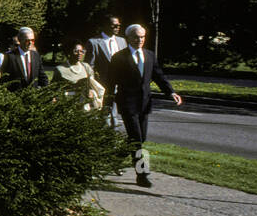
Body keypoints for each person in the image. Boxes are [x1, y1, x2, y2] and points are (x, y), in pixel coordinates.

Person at [104, 24, 183, 188]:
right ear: (128, 38)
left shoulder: (149, 55)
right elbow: (111, 83)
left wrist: (170, 92)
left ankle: (114, 159)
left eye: (142, 37)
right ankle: (142, 175)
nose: (139, 40)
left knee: (140, 139)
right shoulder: (119, 58)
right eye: (136, 37)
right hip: (127, 104)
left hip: (144, 104)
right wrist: (107, 103)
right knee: (137, 140)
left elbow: (158, 75)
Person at [88, 15, 127, 127]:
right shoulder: (94, 42)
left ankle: (112, 139)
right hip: (103, 86)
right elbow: (89, 66)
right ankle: (108, 140)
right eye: (114, 25)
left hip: (119, 86)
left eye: (119, 25)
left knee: (115, 116)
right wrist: (92, 86)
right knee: (105, 116)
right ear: (105, 26)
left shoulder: (122, 41)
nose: (117, 27)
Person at [52, 42, 104, 112]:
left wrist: (91, 92)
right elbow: (54, 88)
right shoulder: (60, 69)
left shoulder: (86, 67)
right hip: (68, 105)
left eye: (82, 51)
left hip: (85, 105)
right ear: (69, 52)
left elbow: (92, 85)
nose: (79, 53)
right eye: (76, 51)